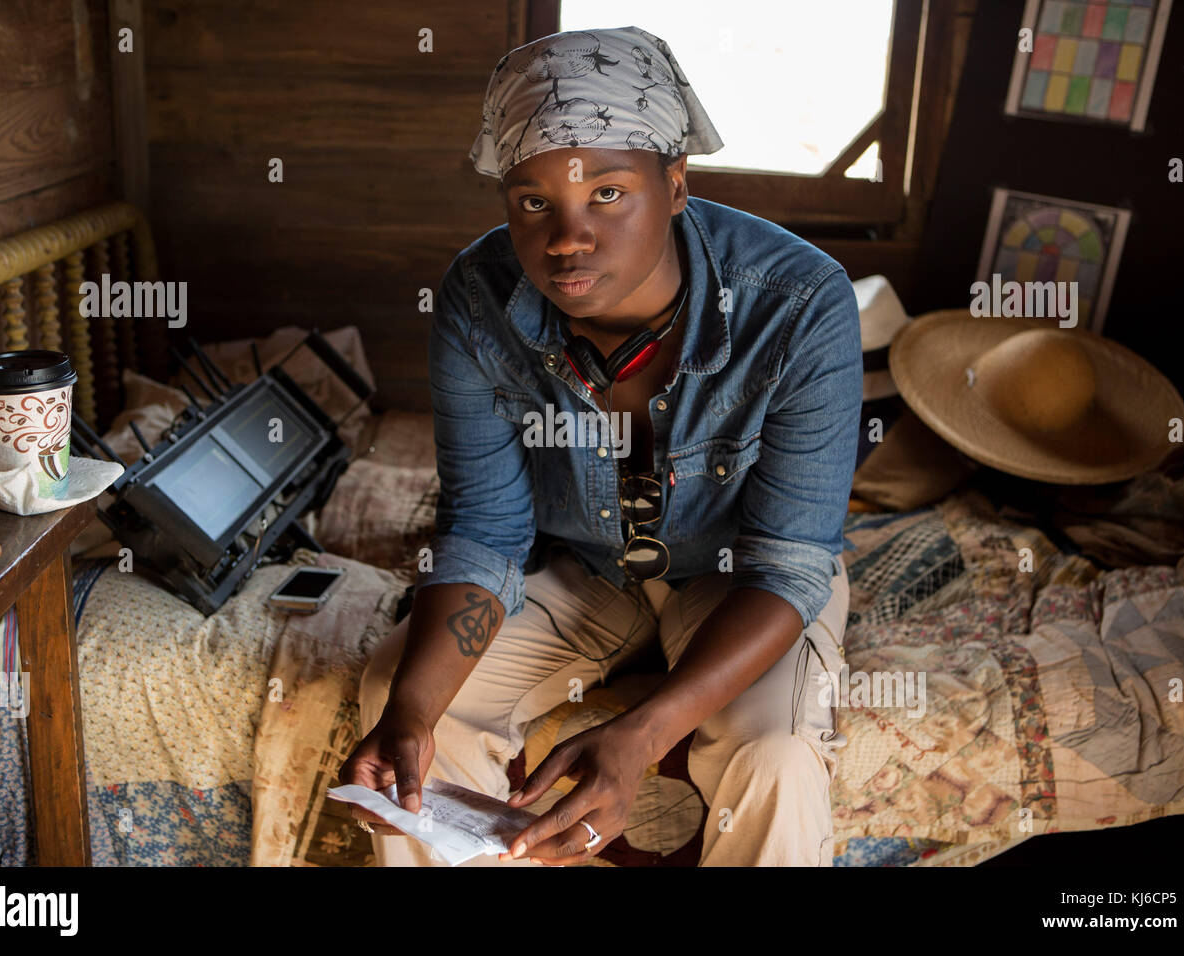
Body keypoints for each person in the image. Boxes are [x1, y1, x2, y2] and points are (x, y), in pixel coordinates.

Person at [337, 25, 862, 867]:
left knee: (776, 757)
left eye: (608, 193)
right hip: (581, 566)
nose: (567, 239)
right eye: (533, 203)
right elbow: (485, 531)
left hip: (739, 580)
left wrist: (641, 736)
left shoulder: (800, 303)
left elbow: (792, 562)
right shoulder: (477, 299)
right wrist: (409, 714)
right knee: (397, 702)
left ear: (678, 183)